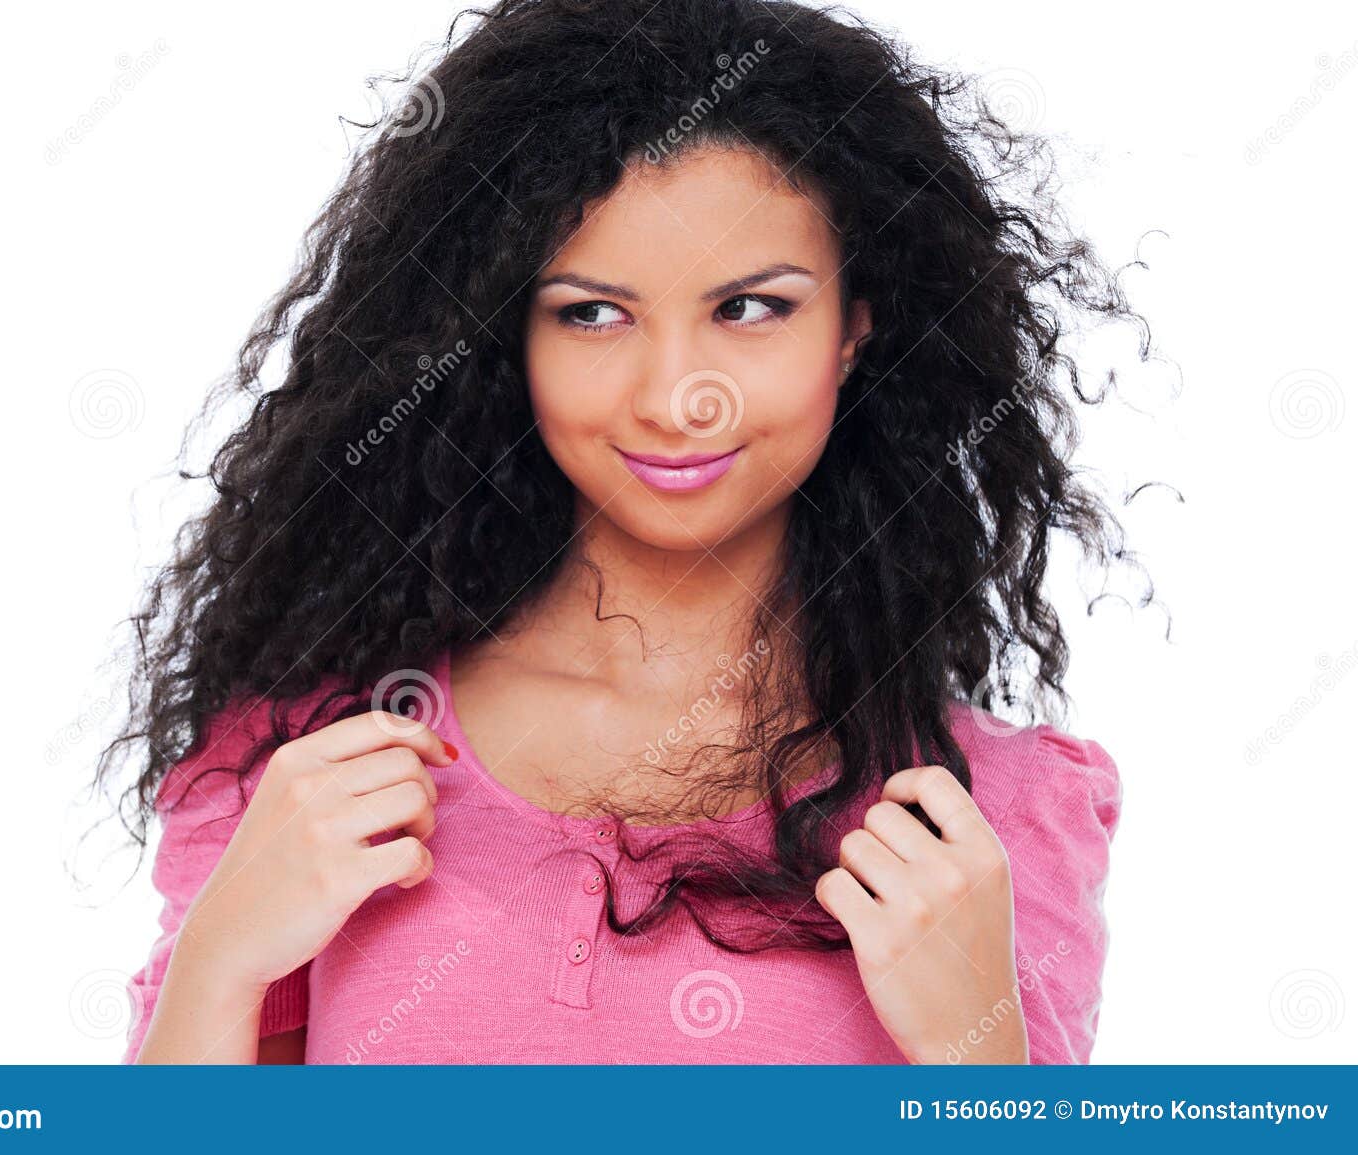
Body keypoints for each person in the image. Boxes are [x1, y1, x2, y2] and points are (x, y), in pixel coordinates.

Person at [96, 0, 1146, 1065]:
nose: (674, 398)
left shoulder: (991, 820)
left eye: (749, 308)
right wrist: (221, 961)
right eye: (592, 314)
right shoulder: (310, 766)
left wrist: (977, 1045)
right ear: (508, 334)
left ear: (855, 324)